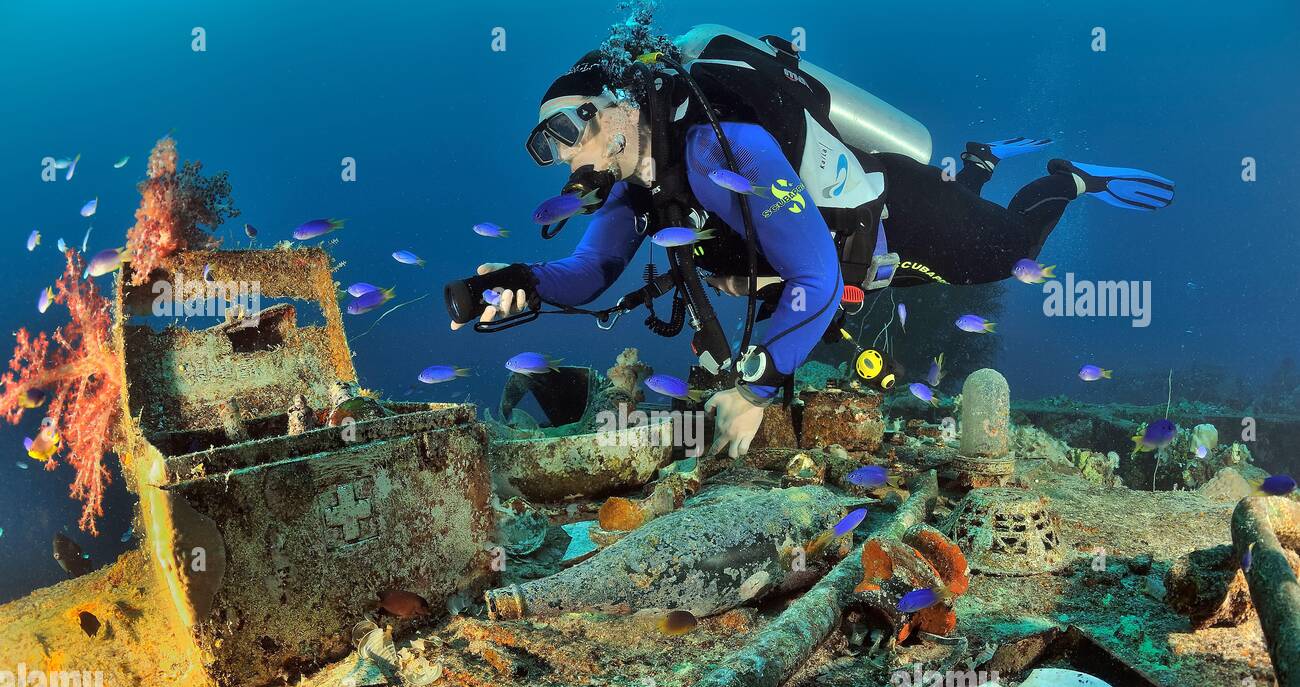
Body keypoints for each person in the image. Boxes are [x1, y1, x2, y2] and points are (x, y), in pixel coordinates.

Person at [451, 43, 1174, 458]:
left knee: (1008, 252)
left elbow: (817, 273)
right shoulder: (641, 190)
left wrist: (756, 388)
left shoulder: (723, 147)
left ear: (616, 109)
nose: (561, 156)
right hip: (848, 265)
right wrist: (522, 282)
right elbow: (587, 275)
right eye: (545, 146)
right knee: (971, 238)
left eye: (565, 130)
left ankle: (1069, 179)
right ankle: (976, 163)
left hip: (896, 221)